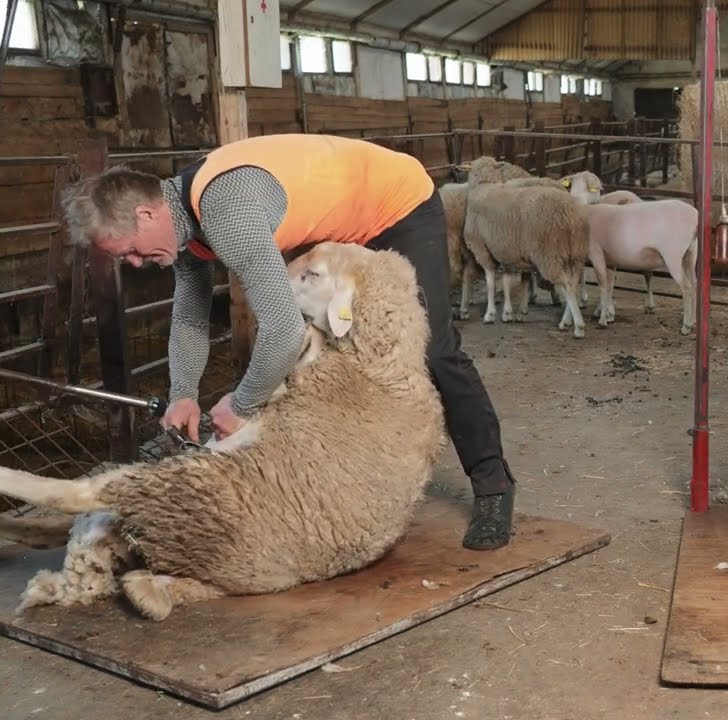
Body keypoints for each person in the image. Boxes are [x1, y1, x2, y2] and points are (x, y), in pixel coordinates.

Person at [61, 133, 518, 551]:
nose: (138, 264)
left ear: (146, 213)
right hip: (339, 223)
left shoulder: (225, 213)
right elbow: (190, 315)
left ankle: (494, 485)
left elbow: (283, 333)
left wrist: (241, 405)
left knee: (432, 349)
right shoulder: (181, 223)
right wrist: (183, 394)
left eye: (132, 251)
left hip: (395, 207)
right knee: (332, 359)